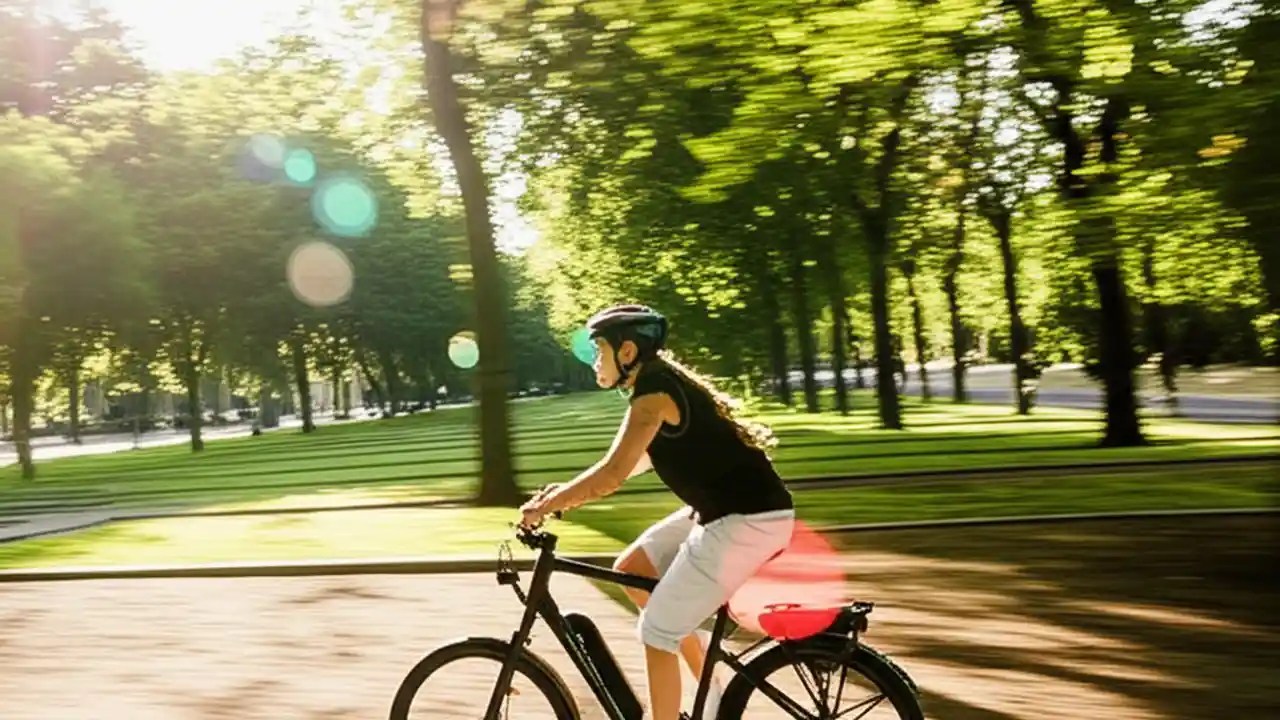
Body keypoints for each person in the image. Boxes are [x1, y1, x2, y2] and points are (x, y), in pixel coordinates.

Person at [520, 304, 795, 720]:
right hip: (732, 512)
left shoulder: (654, 395)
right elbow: (623, 466)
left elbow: (611, 475)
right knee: (636, 568)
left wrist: (548, 506)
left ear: (627, 351)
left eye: (600, 351)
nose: (595, 360)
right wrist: (558, 496)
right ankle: (710, 684)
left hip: (745, 521)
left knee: (656, 631)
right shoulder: (658, 386)